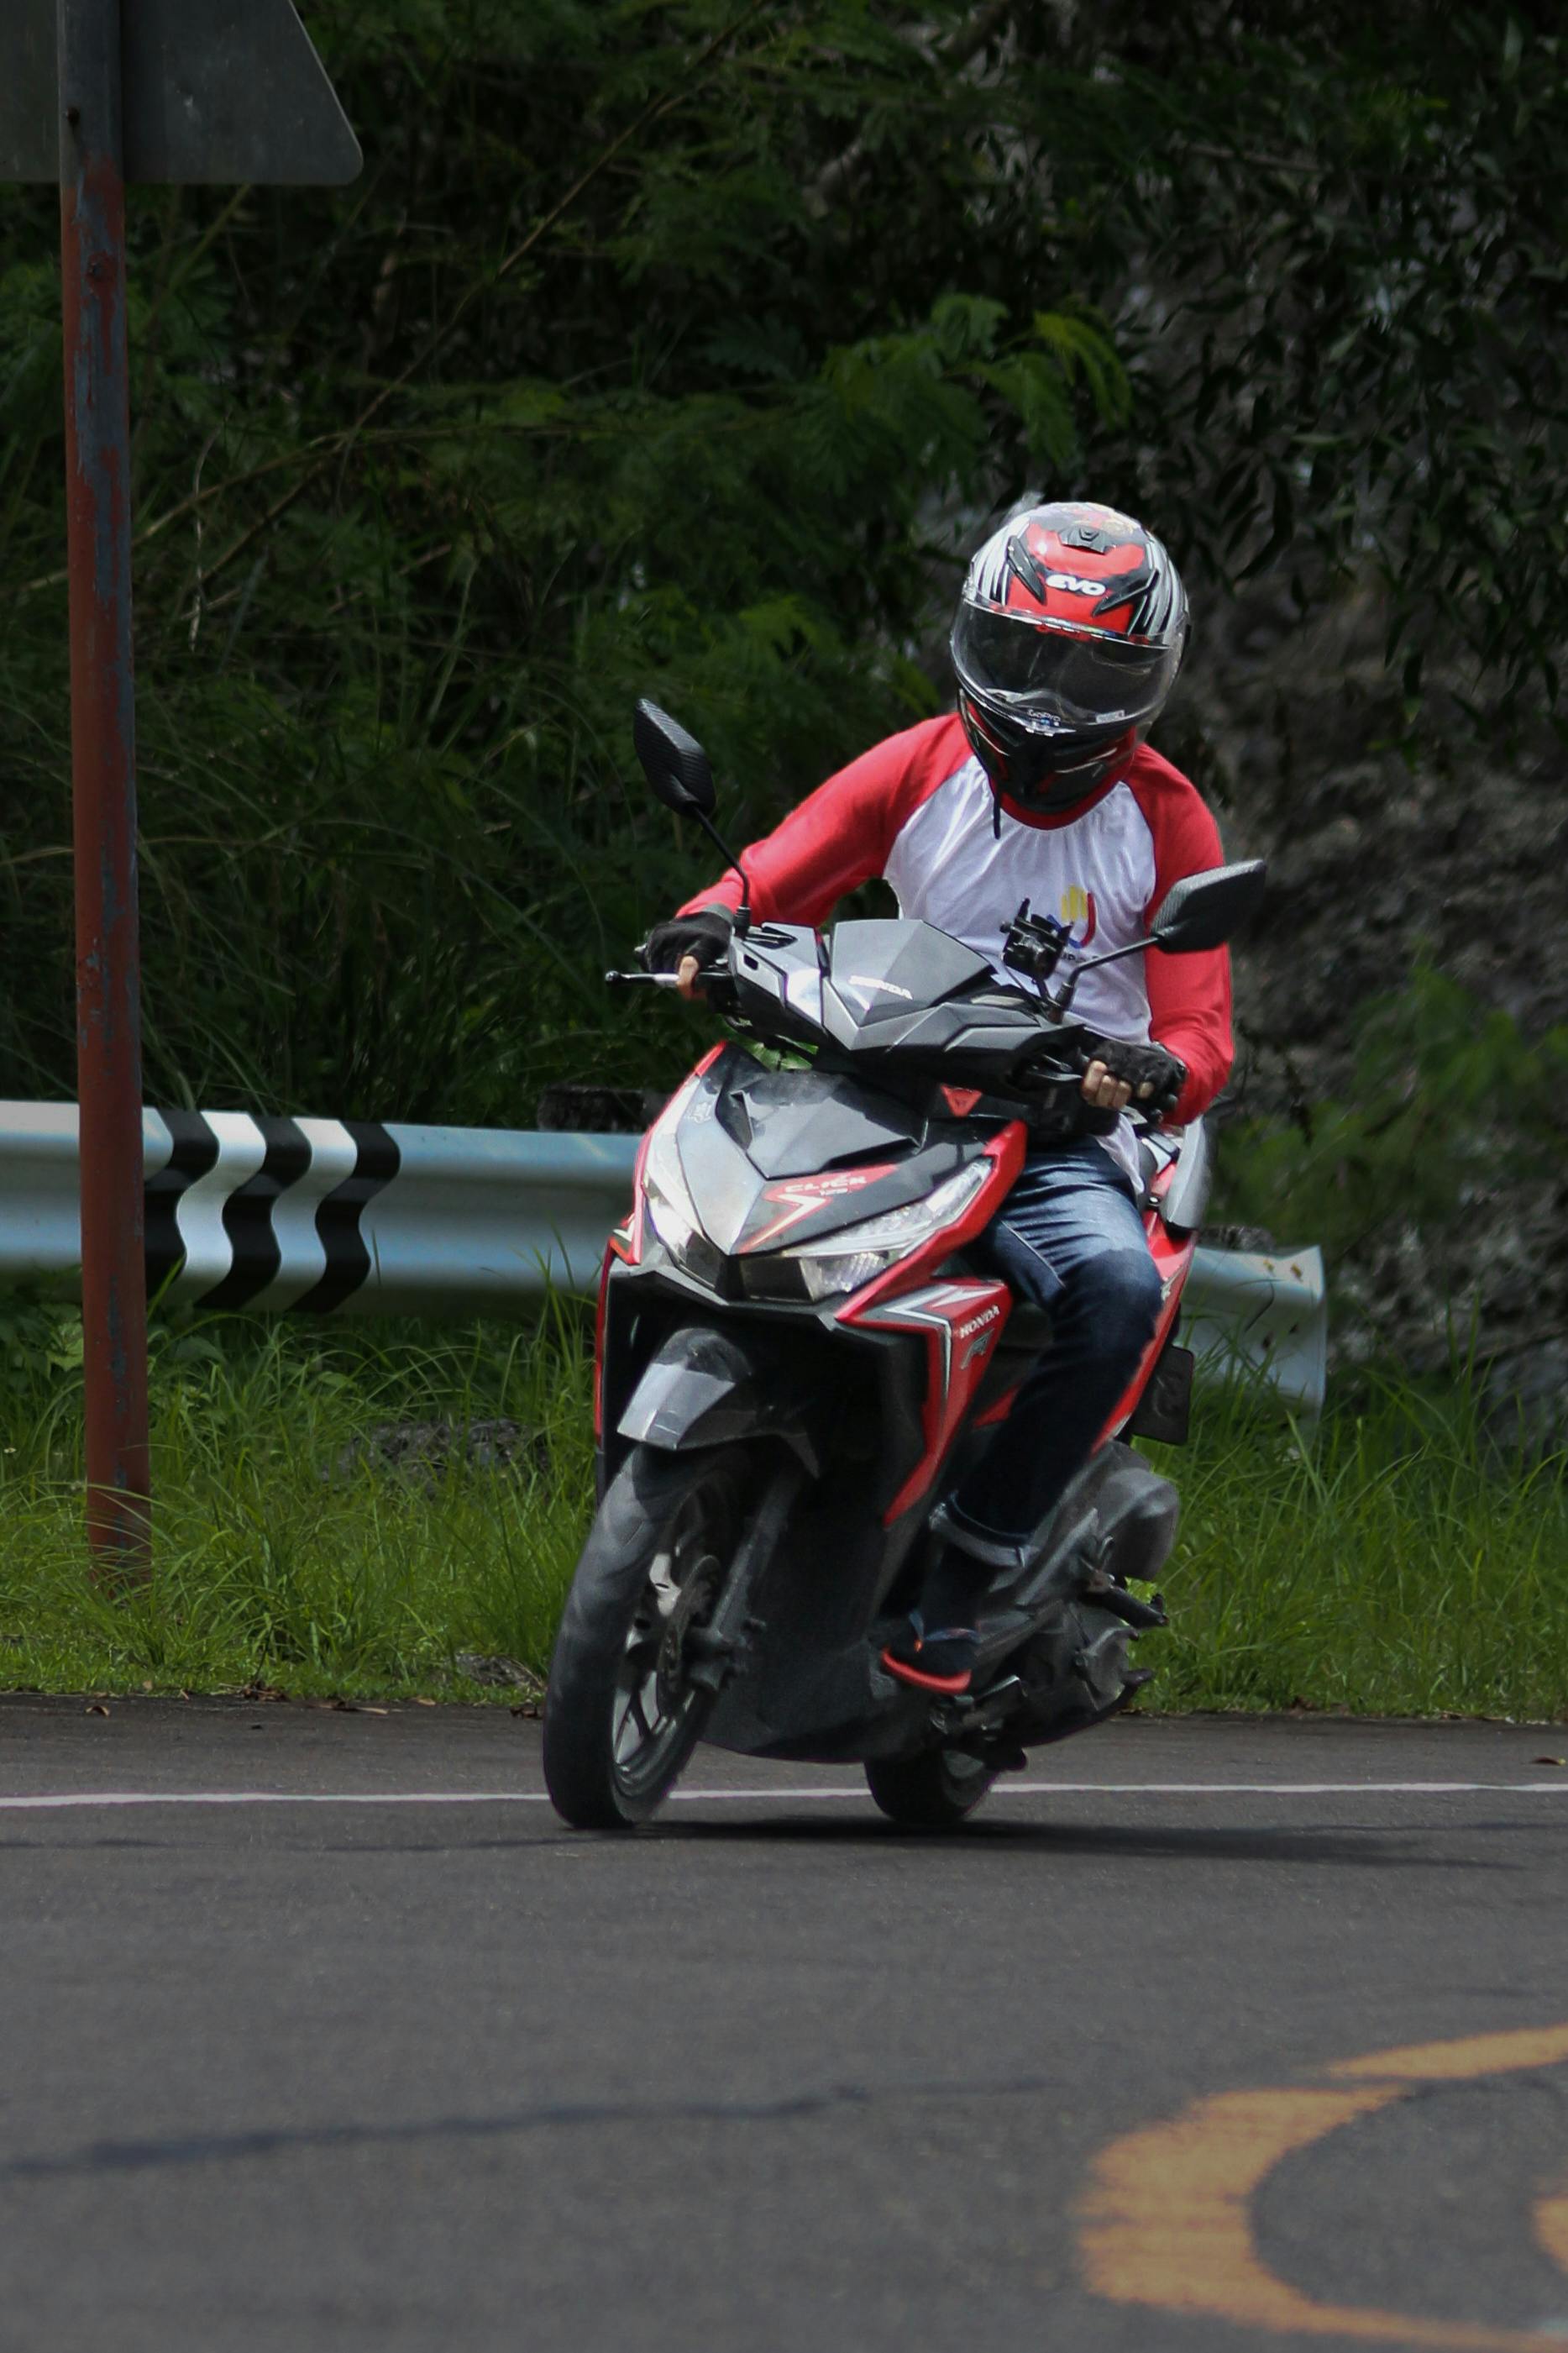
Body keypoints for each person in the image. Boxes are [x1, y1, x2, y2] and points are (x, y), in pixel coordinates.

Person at [640, 500, 1233, 1695]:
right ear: (978, 638)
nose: (1054, 702)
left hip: (1058, 1129)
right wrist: (707, 924)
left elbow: (1201, 1027)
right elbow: (780, 867)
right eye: (1028, 657)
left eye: (1093, 671)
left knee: (1115, 1293)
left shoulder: (1167, 819)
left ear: (1145, 679)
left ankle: (971, 1567)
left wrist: (1157, 1071)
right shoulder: (923, 763)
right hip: (886, 1090)